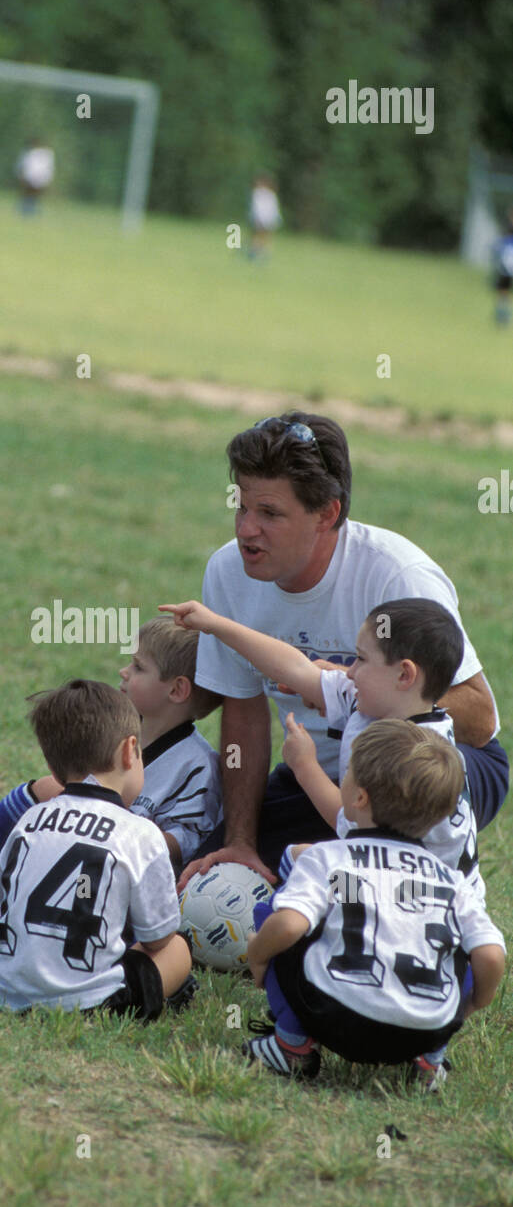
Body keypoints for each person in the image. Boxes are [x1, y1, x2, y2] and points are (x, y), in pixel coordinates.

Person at [180, 413, 506, 886]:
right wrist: (241, 841)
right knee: (212, 876)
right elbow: (244, 709)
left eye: (269, 513)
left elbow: (481, 719)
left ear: (327, 513)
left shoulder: (395, 575)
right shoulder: (227, 572)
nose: (246, 530)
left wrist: (369, 699)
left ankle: (393, 877)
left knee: (356, 880)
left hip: (435, 766)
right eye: (241, 507)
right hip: (325, 777)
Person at [241, 720, 506, 1090]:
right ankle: (430, 1064)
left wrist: (257, 955)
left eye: (346, 772)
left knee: (274, 911)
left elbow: (287, 926)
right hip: (424, 1031)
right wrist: (470, 1005)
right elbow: (491, 956)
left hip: (330, 1014)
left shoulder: (330, 859)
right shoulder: (452, 881)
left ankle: (291, 1046)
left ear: (359, 797)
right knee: (459, 946)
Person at [160, 597, 481, 894]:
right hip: (386, 867)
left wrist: (305, 766)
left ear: (404, 675)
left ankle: (284, 937)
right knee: (305, 857)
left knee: (305, 861)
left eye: (361, 659)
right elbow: (295, 667)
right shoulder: (371, 701)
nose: (348, 671)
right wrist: (215, 624)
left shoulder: (415, 752)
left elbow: (350, 818)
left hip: (425, 895)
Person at [0, 617, 222, 897]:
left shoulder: (198, 764)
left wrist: (124, 826)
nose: (124, 671)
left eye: (139, 667)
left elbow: (190, 841)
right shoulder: (118, 728)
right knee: (47, 787)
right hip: (90, 850)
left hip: (138, 881)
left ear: (178, 690)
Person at [0, 680, 194, 1017]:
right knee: (177, 948)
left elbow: (2, 901)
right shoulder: (141, 834)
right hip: (87, 1004)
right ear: (129, 750)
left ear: (53, 768)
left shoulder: (30, 819)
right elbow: (158, 938)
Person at [15, 137, 55, 215]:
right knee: (28, 194)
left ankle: (29, 211)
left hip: (36, 177)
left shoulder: (42, 153)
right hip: (32, 177)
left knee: (33, 195)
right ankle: (27, 210)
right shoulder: (31, 152)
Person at [248, 174, 282, 261]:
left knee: (262, 236)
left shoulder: (263, 194)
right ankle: (257, 253)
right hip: (263, 218)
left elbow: (271, 208)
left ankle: (260, 253)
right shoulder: (260, 193)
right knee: (260, 236)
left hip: (265, 218)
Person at [491, 206, 513, 326]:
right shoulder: (506, 230)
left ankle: (505, 315)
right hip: (506, 267)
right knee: (503, 291)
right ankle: (501, 316)